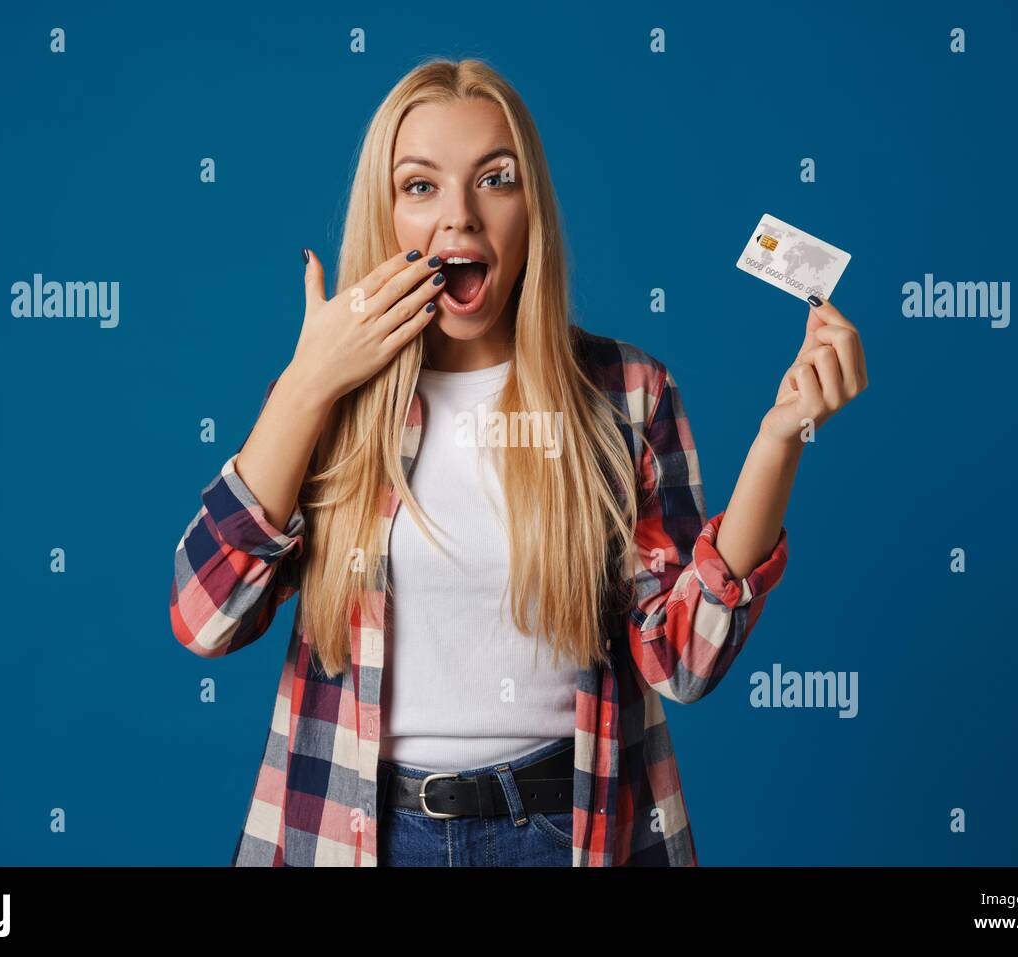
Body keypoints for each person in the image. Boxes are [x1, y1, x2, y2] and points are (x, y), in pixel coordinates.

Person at [169, 57, 868, 867]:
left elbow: (683, 661)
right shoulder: (327, 403)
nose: (458, 217)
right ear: (385, 213)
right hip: (358, 837)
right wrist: (307, 383)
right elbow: (203, 618)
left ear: (531, 207)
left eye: (494, 179)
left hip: (566, 835)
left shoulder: (628, 395)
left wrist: (780, 438)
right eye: (420, 186)